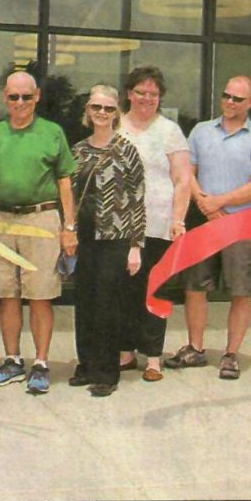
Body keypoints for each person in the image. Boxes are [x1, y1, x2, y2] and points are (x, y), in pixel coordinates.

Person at [0, 71, 77, 395]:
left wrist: (69, 227)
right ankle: (12, 360)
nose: (19, 103)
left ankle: (41, 363)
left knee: (40, 294)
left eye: (26, 96)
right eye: (13, 97)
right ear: (5, 98)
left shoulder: (52, 133)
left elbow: (65, 180)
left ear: (36, 96)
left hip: (42, 218)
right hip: (0, 220)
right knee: (6, 293)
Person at [176, 76, 251, 380]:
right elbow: (186, 172)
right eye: (227, 96)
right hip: (202, 221)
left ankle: (231, 354)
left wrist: (219, 202)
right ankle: (195, 348)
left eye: (238, 99)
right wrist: (205, 202)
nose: (230, 102)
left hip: (241, 225)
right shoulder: (201, 131)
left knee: (240, 291)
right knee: (194, 287)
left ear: (250, 103)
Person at [68, 86, 146, 397]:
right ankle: (86, 364)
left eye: (109, 109)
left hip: (115, 237)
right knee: (84, 302)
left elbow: (138, 198)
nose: (102, 113)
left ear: (116, 113)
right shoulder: (78, 150)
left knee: (108, 305)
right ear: (87, 110)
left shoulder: (126, 149)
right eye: (97, 107)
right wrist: (68, 230)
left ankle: (106, 372)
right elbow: (69, 195)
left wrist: (136, 246)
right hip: (84, 236)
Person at [118, 66, 191, 382]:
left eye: (153, 94)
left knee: (154, 289)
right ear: (129, 94)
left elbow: (182, 179)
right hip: (119, 224)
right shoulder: (115, 125)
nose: (147, 98)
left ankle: (153, 356)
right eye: (141, 92)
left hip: (159, 223)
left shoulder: (169, 130)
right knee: (123, 290)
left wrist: (178, 219)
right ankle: (124, 350)